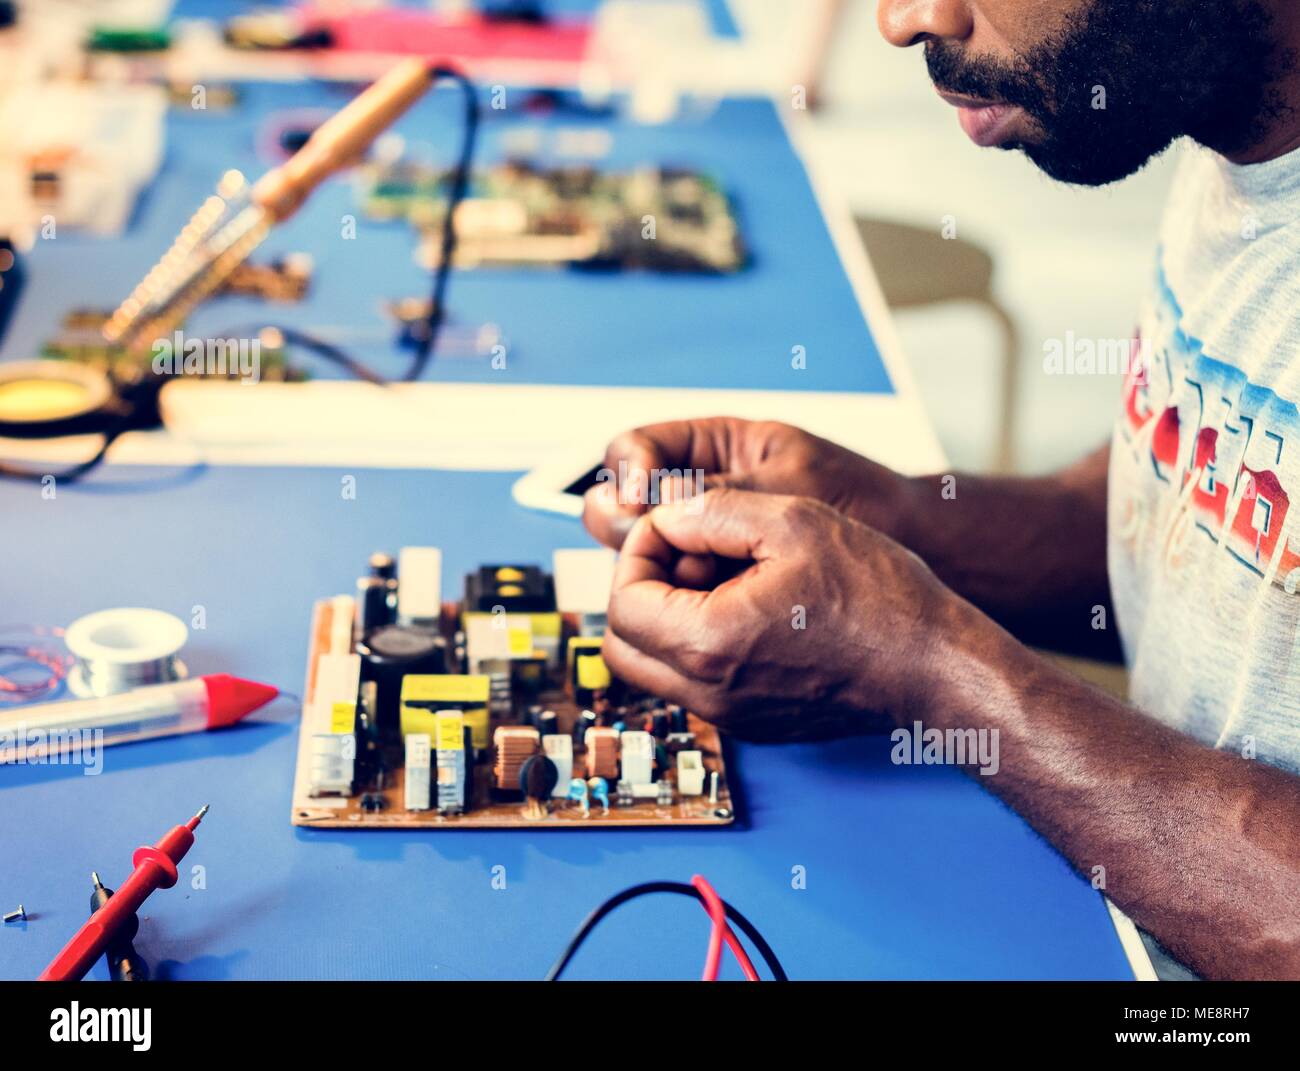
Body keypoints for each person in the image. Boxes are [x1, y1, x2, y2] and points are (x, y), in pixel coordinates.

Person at [581, 0, 1300, 981]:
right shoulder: (1236, 133)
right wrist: (888, 517)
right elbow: (1186, 529)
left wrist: (928, 665)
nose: (902, 19)